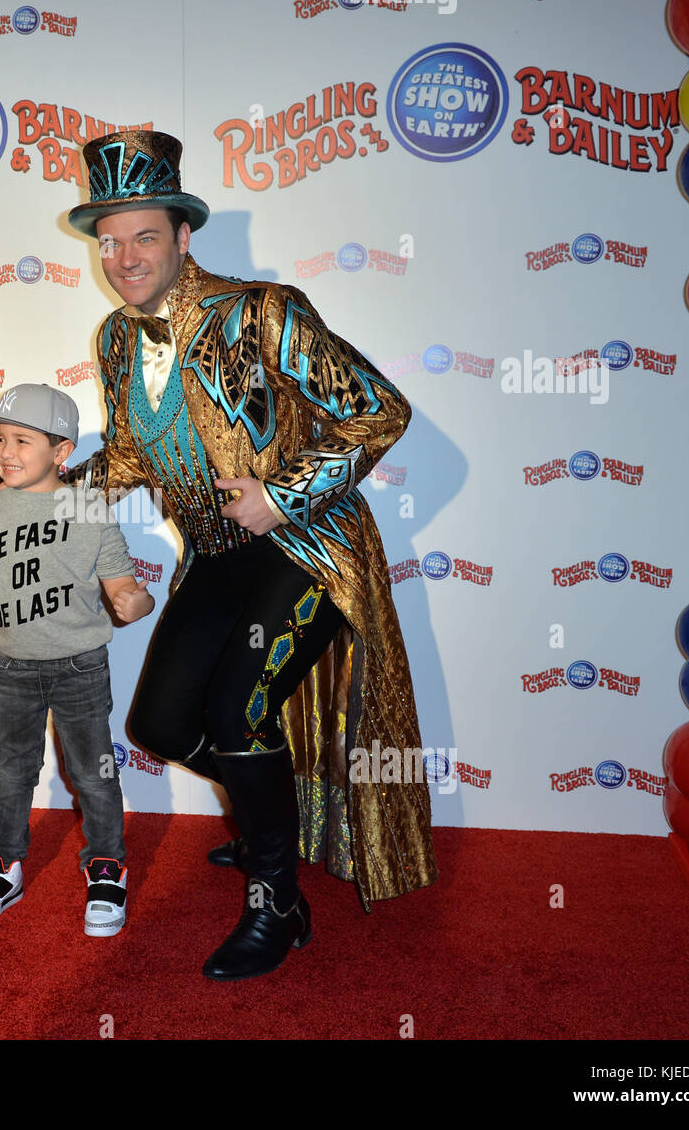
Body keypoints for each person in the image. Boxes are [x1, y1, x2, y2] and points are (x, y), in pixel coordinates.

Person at [65, 130, 437, 980]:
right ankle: (277, 825)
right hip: (216, 555)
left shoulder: (263, 310)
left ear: (184, 235)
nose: (124, 257)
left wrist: (282, 495)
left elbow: (380, 411)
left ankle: (279, 900)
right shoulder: (115, 340)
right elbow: (128, 451)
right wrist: (57, 501)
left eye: (144, 235)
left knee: (237, 714)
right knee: (158, 722)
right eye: (109, 240)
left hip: (305, 545)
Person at [0, 383, 154, 936]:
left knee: (93, 773)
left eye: (21, 440)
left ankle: (106, 864)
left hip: (79, 664)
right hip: (11, 669)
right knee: (12, 770)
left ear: (61, 451)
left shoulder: (88, 507)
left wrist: (134, 600)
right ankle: (3, 864)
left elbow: (124, 584)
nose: (4, 451)